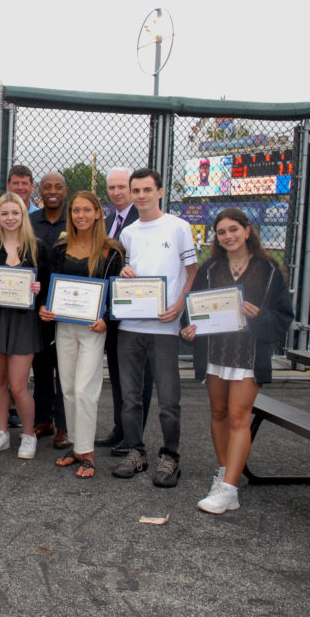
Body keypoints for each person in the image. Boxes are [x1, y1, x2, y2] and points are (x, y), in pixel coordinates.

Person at [181, 208, 293, 513]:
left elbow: (283, 316)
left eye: (233, 229)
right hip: (216, 351)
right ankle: (224, 471)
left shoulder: (268, 270)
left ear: (247, 230)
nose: (228, 236)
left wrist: (259, 316)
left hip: (248, 354)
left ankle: (230, 489)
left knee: (238, 416)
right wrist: (189, 328)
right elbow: (194, 311)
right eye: (221, 232)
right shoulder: (210, 268)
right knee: (218, 412)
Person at [113, 168, 198, 487]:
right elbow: (124, 273)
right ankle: (136, 453)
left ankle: (170, 456)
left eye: (148, 190)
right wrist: (124, 275)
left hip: (164, 327)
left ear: (160, 192)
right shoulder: (128, 233)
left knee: (168, 397)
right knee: (131, 397)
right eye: (136, 191)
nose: (142, 196)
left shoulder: (179, 227)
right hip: (130, 326)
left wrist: (178, 306)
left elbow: (192, 272)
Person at [40, 191, 124, 479]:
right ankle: (76, 446)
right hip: (64, 326)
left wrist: (108, 320)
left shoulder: (112, 251)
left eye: (87, 210)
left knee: (86, 391)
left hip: (93, 328)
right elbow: (50, 286)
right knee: (68, 388)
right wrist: (46, 309)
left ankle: (87, 454)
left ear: (99, 212)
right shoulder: (61, 248)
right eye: (76, 211)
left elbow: (116, 292)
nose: (81, 216)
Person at [0, 193, 48, 460]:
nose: (10, 218)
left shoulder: (37, 247)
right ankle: (2, 432)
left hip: (23, 321)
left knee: (18, 384)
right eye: (4, 214)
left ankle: (28, 435)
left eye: (15, 213)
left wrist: (40, 291)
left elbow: (46, 288)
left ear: (23, 215)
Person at [97, 166, 154, 455]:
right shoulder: (107, 221)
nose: (117, 192)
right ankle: (120, 429)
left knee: (138, 378)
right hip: (111, 311)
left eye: (123, 187)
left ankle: (134, 437)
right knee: (119, 376)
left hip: (135, 310)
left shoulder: (143, 220)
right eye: (112, 188)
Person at [29, 171, 70, 449]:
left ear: (65, 191)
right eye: (47, 187)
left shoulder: (76, 220)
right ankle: (43, 419)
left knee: (66, 369)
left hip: (69, 305)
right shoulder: (30, 222)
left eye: (58, 187)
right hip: (38, 304)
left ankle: (65, 426)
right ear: (39, 193)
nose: (52, 191)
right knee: (41, 365)